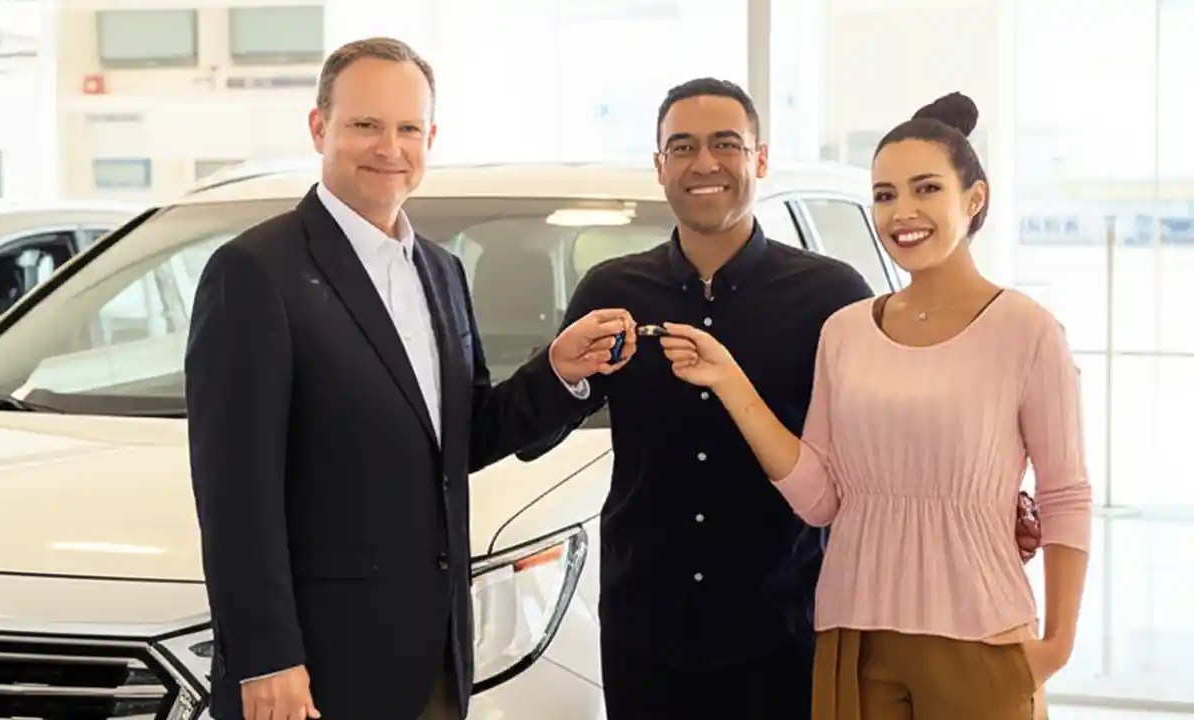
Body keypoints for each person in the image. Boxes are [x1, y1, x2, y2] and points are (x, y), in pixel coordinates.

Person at [519, 79, 1043, 719]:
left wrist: (993, 502)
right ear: (660, 165)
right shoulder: (611, 291)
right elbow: (538, 439)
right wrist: (562, 374)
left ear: (759, 159)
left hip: (784, 630)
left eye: (725, 144)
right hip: (645, 629)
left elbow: (891, 436)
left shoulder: (831, 297)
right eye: (682, 147)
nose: (704, 163)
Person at [185, 37, 636, 720]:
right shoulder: (255, 272)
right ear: (319, 127)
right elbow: (234, 493)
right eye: (365, 124)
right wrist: (265, 656)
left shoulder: (440, 270)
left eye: (408, 129)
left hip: (435, 654)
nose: (388, 148)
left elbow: (460, 437)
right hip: (316, 666)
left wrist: (556, 372)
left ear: (431, 138)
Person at [658, 92, 1091, 719]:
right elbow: (822, 500)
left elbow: (1065, 493)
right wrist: (729, 381)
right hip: (853, 637)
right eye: (885, 195)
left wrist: (1058, 644)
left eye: (926, 189)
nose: (902, 212)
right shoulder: (846, 330)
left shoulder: (1027, 331)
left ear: (975, 198)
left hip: (983, 637)